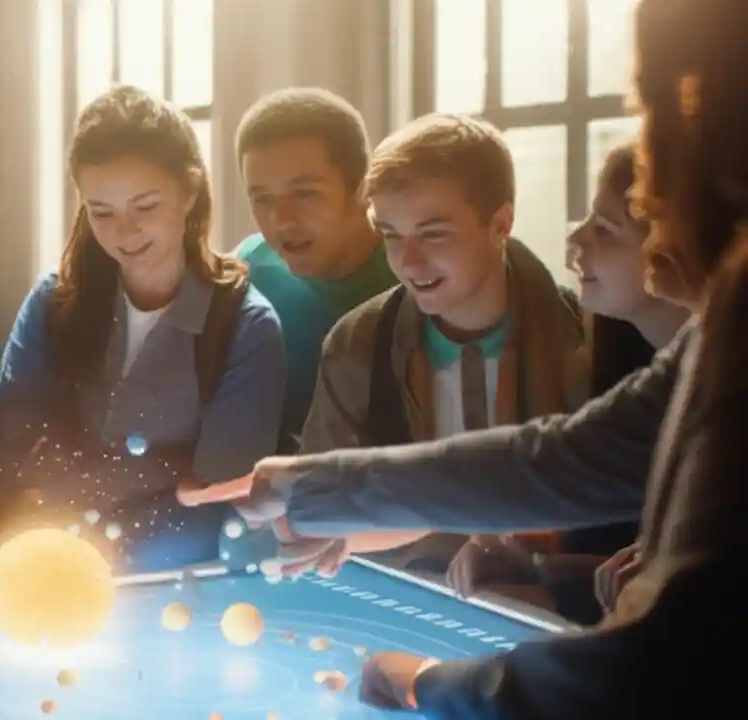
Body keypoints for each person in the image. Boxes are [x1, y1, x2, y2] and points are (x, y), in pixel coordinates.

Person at [197, 0, 748, 714]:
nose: (656, 175)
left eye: (668, 118)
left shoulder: (601, 328)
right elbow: (571, 457)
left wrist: (430, 684)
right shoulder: (726, 314)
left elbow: (657, 662)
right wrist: (312, 488)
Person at [226, 114, 590, 588]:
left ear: (501, 222)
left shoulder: (586, 337)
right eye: (392, 235)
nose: (409, 261)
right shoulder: (356, 343)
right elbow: (331, 510)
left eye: (434, 233)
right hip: (410, 592)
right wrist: (331, 533)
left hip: (553, 596)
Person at [0, 85, 287, 573]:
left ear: (189, 191)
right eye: (101, 212)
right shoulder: (54, 300)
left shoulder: (244, 326)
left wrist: (75, 491)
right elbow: (12, 442)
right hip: (46, 553)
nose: (123, 233)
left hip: (174, 569)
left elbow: (214, 490)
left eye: (144, 207)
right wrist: (169, 465)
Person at [453, 141, 691, 623]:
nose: (575, 240)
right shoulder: (623, 355)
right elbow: (617, 555)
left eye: (605, 229)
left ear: (678, 250)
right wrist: (532, 551)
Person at [233, 87, 398, 453]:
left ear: (362, 188)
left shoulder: (416, 280)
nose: (281, 221)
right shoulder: (248, 274)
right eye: (262, 199)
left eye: (305, 194)